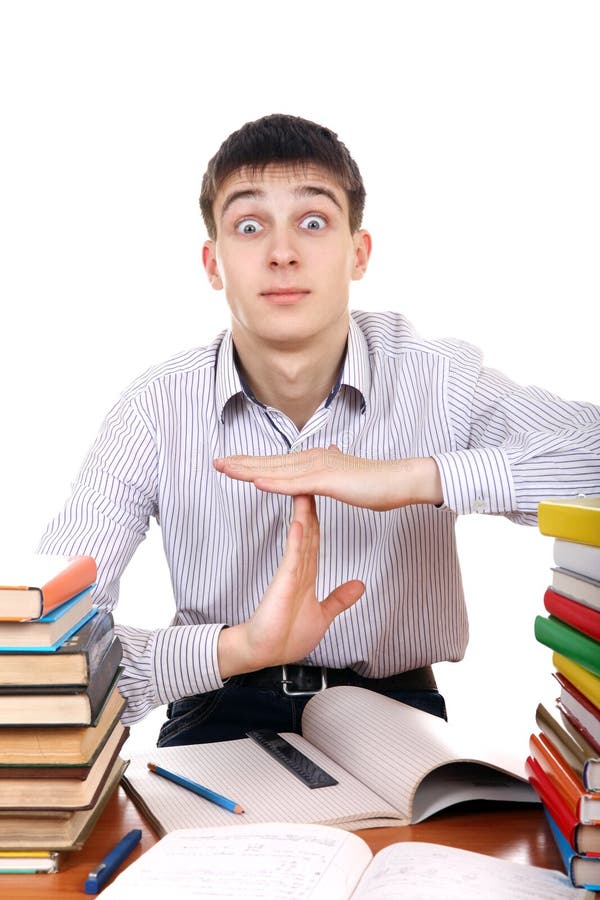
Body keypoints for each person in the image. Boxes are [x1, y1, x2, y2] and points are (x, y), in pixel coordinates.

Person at [39, 114, 600, 745]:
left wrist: (415, 477)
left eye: (313, 221)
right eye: (249, 226)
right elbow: (47, 638)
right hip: (216, 706)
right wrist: (238, 646)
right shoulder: (155, 408)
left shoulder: (437, 378)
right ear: (213, 263)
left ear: (358, 253)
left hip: (398, 711)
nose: (282, 253)